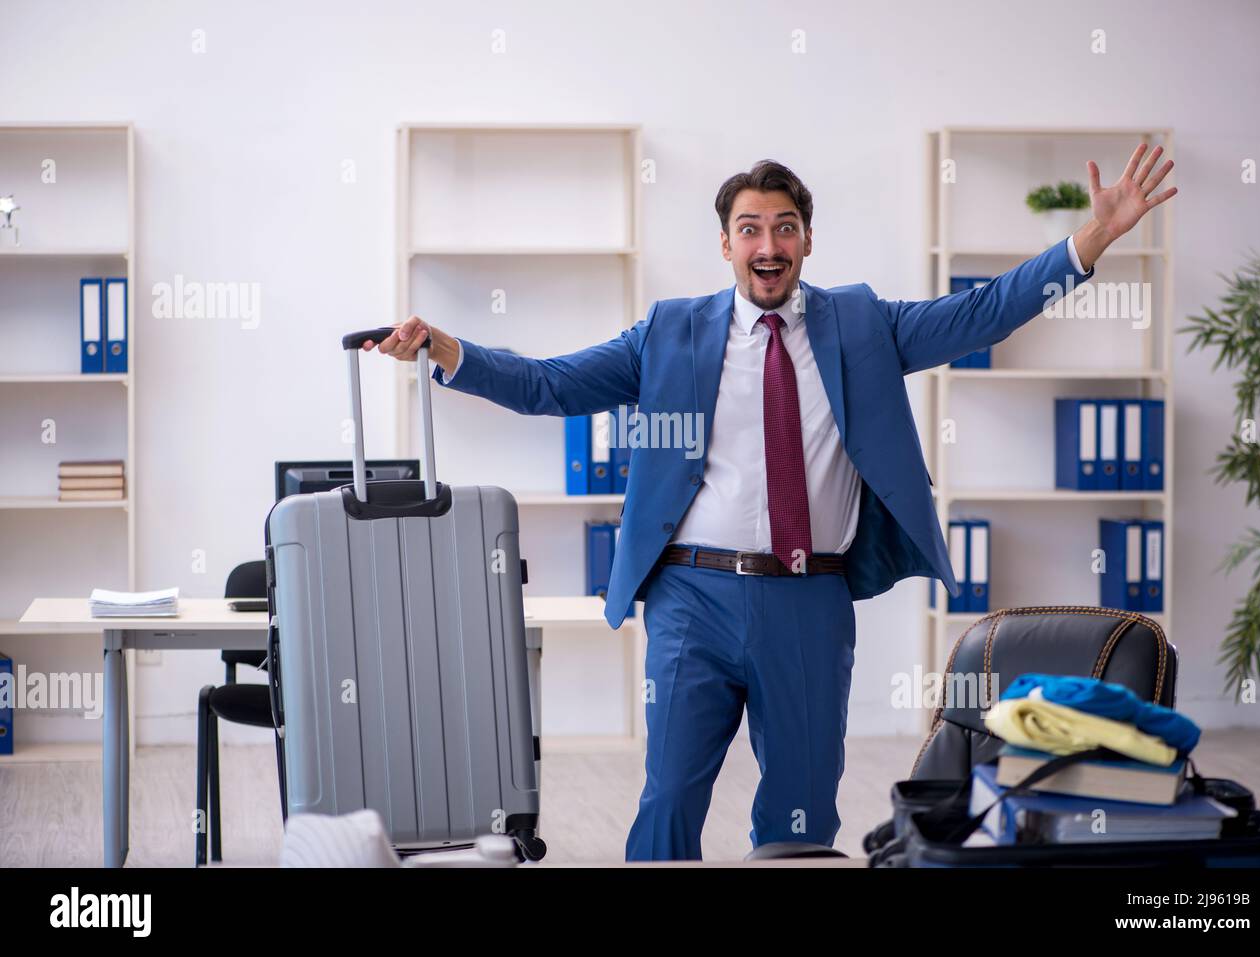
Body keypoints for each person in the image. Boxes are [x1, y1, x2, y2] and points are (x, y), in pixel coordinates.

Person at [366, 145, 1176, 861]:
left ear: (807, 240)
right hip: (691, 597)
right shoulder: (671, 332)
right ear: (726, 245)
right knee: (668, 799)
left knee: (800, 810)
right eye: (750, 228)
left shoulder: (862, 324)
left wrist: (1090, 239)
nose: (768, 244)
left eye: (785, 226)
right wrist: (444, 348)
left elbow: (983, 312)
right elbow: (549, 382)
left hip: (810, 600)